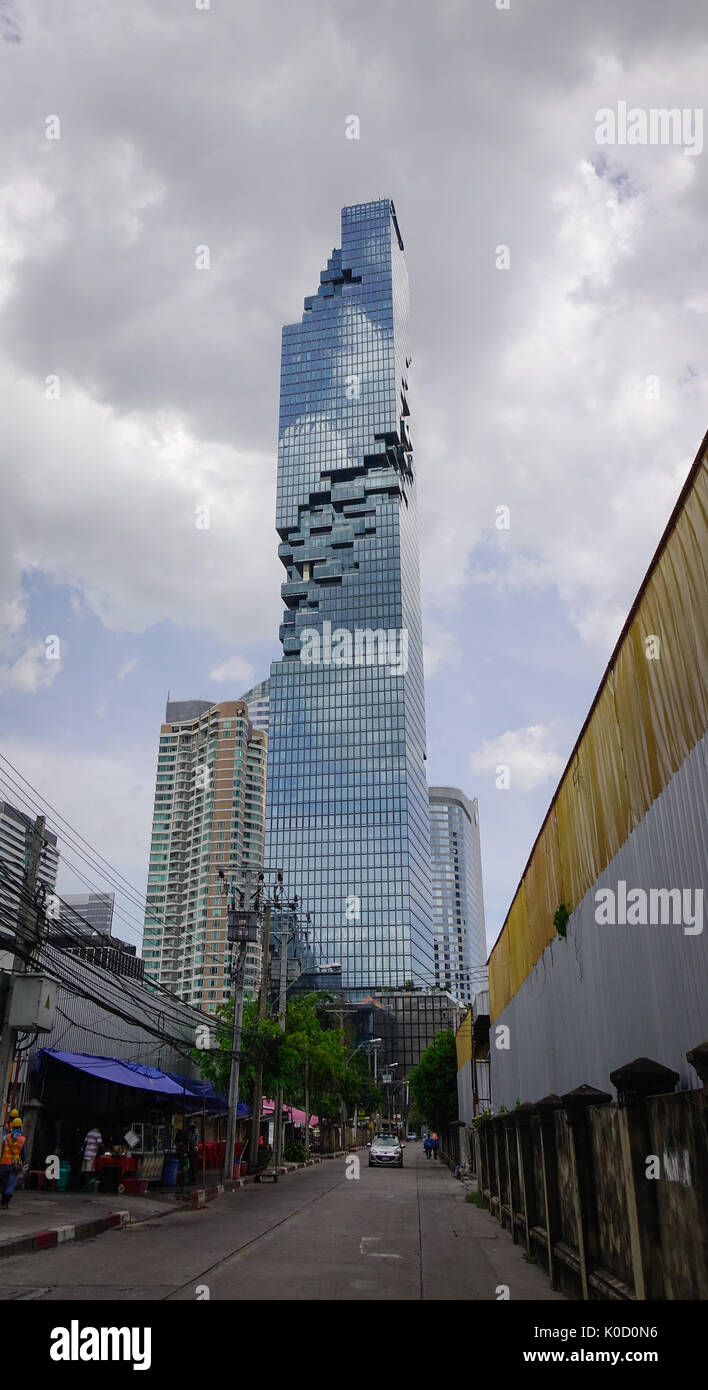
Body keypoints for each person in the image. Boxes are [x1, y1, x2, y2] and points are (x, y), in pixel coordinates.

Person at [0, 1118, 27, 1209]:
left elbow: (2, 1150)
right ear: (20, 1127)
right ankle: (6, 1202)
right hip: (14, 1165)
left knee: (3, 1182)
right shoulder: (22, 1140)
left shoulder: (6, 1137)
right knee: (11, 1183)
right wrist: (23, 1161)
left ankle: (3, 1199)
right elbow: (23, 1154)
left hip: (4, 1163)